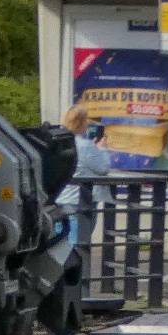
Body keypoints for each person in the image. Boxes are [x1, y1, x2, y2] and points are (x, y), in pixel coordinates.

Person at [58, 102, 112, 249]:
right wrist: (102, 149)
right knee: (79, 242)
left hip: (60, 198)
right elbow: (103, 168)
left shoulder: (60, 143)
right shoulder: (86, 145)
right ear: (82, 122)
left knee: (60, 242)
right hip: (81, 200)